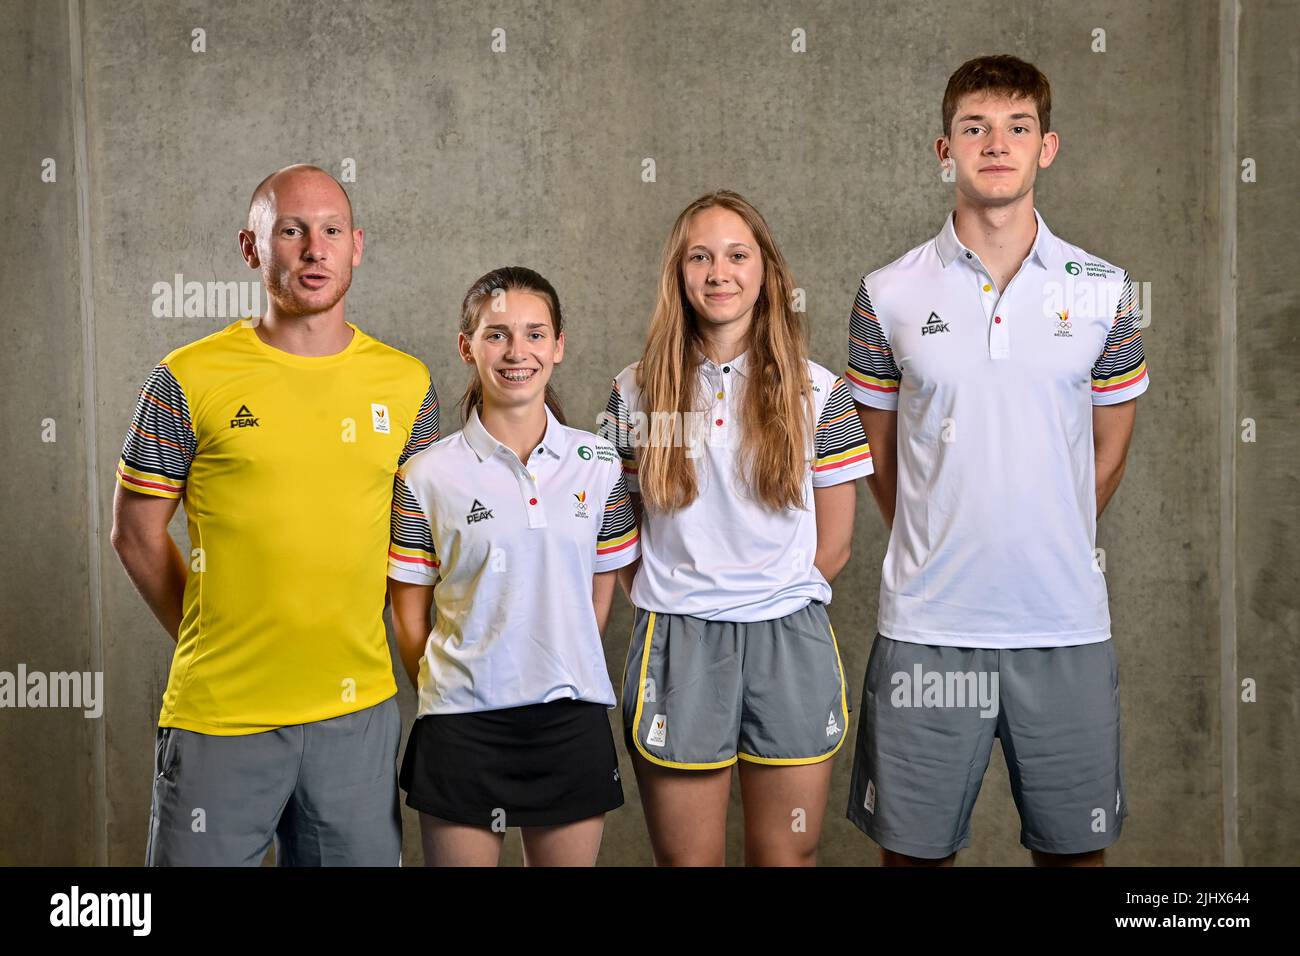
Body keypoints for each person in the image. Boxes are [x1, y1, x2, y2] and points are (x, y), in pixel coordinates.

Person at [843, 55, 1149, 866]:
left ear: (1047, 147)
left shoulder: (1103, 290)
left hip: (1064, 625)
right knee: (912, 855)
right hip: (929, 627)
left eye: (1018, 128)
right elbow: (876, 459)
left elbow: (1109, 451)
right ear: (945, 149)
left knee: (1075, 856)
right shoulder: (888, 293)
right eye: (974, 128)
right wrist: (945, 539)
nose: (996, 145)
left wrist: (1044, 533)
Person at [112, 165, 438, 866]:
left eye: (330, 232)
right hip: (221, 715)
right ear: (252, 247)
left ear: (357, 246)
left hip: (357, 718)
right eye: (290, 231)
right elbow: (135, 534)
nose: (314, 250)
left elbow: (418, 553)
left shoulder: (407, 385)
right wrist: (218, 632)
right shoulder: (186, 377)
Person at [604, 190, 873, 866]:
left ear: (767, 271)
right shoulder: (633, 392)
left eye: (736, 255)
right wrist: (683, 591)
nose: (719, 272)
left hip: (788, 637)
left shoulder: (820, 392)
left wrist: (762, 593)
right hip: (679, 639)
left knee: (788, 857)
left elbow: (834, 544)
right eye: (700, 256)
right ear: (679, 273)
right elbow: (620, 533)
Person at [387, 266, 640, 867]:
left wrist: (550, 661)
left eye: (534, 333)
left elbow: (596, 601)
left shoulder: (599, 463)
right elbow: (409, 621)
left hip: (569, 719)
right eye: (496, 334)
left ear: (558, 346)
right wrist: (471, 676)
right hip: (460, 725)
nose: (516, 351)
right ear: (466, 346)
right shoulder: (425, 474)